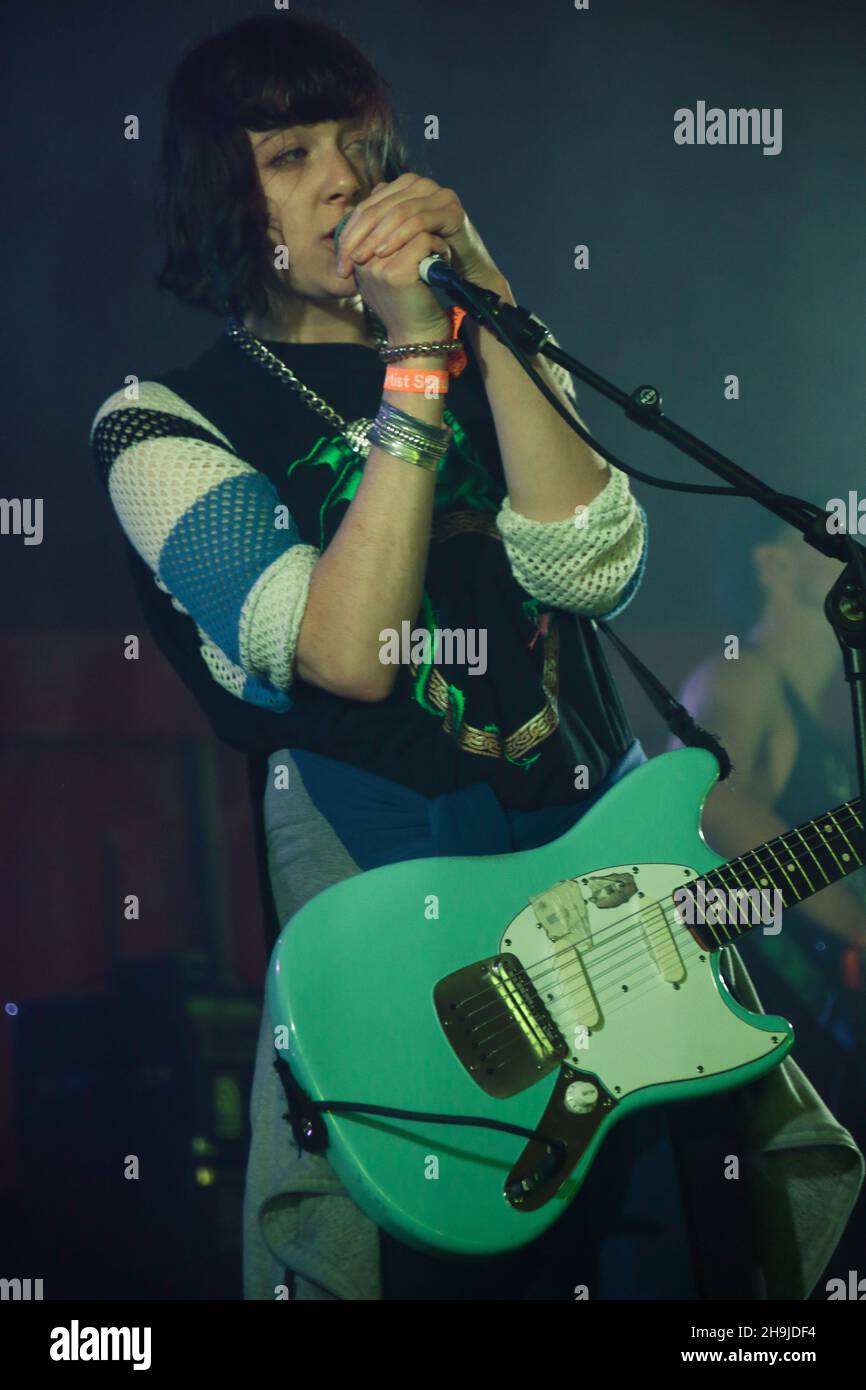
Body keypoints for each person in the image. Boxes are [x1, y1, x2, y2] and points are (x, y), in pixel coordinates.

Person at [90, 14, 861, 1300]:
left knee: (677, 1244)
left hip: (596, 851)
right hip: (387, 872)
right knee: (432, 1249)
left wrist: (488, 304)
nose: (344, 177)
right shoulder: (161, 421)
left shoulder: (475, 347)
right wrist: (410, 370)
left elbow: (592, 564)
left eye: (357, 143)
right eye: (289, 155)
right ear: (222, 196)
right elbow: (341, 652)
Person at [673, 508, 866, 1283]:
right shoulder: (737, 675)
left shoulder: (810, 704)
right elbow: (711, 803)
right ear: (773, 567)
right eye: (827, 545)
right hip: (780, 1034)